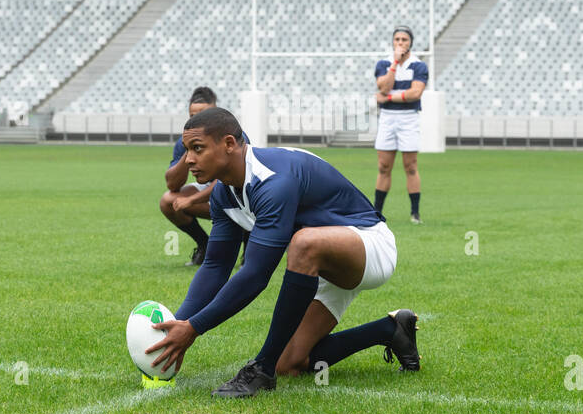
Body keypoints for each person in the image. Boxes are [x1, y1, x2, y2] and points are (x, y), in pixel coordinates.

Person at [146, 107, 421, 398]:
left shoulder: (273, 181)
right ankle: (391, 330)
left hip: (368, 244)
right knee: (290, 362)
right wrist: (177, 326)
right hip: (321, 260)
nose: (188, 159)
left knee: (303, 243)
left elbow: (255, 275)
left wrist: (194, 328)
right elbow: (215, 267)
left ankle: (261, 370)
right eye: (187, 149)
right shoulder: (222, 194)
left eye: (197, 148)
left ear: (228, 144)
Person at [160, 86, 249, 266]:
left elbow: (227, 181)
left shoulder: (232, 137)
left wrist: (192, 200)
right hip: (213, 193)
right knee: (168, 201)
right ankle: (204, 245)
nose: (198, 120)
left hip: (238, 193)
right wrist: (190, 149)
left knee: (245, 201)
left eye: (203, 114)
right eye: (193, 116)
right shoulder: (186, 140)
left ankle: (250, 250)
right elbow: (172, 184)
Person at [373, 26, 427, 224]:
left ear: (410, 42)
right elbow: (384, 86)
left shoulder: (418, 66)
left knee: (410, 166)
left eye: (404, 39)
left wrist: (388, 98)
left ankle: (415, 213)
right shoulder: (384, 63)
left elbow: (415, 94)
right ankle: (376, 213)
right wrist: (395, 63)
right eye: (397, 39)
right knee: (383, 166)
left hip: (408, 118)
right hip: (387, 118)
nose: (400, 43)